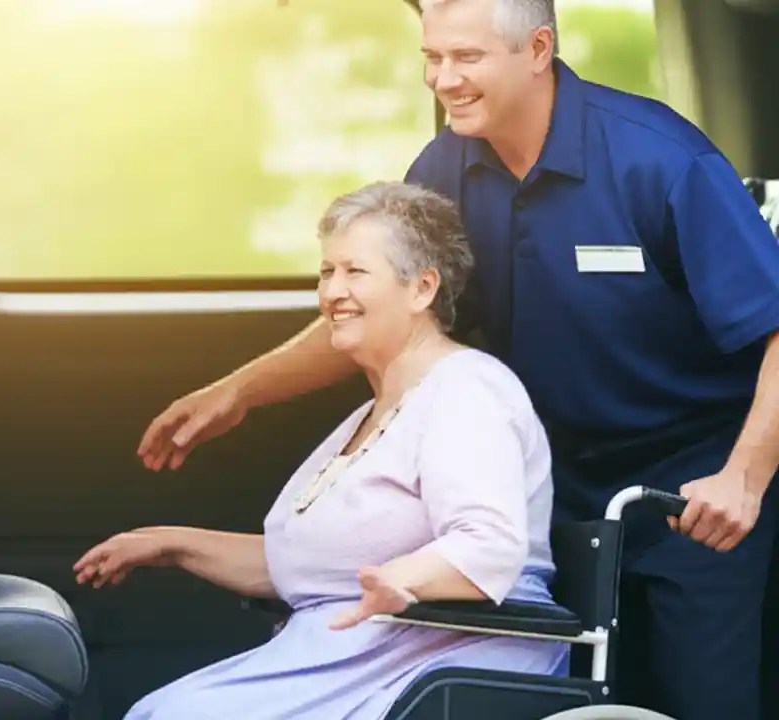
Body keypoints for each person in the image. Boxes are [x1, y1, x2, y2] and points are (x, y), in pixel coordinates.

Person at [136, 1, 779, 718]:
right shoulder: (446, 166)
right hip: (555, 485)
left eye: (465, 58)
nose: (444, 79)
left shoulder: (659, 159)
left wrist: (743, 480)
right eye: (432, 58)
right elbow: (383, 305)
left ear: (537, 49)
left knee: (698, 699)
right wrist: (242, 391)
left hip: (689, 486)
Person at [75, 182, 569, 719]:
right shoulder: (374, 412)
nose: (333, 292)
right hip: (356, 650)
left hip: (445, 652)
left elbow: (488, 545)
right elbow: (304, 564)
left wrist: (400, 581)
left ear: (422, 288)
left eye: (355, 272)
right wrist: (170, 543)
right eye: (326, 272)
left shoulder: (467, 391)